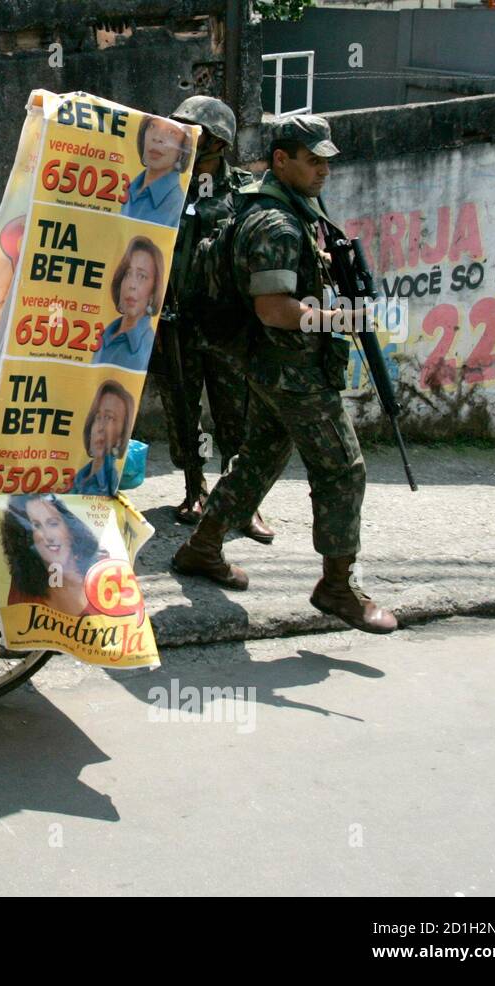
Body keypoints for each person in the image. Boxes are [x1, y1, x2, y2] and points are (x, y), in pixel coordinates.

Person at [171, 116, 398, 634]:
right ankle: (336, 587)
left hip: (273, 364)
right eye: (312, 160)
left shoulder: (290, 206)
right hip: (291, 368)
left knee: (260, 458)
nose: (323, 171)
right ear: (281, 159)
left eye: (326, 162)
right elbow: (273, 308)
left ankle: (202, 548)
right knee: (342, 468)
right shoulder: (276, 223)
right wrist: (339, 318)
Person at [151, 94, 274, 542]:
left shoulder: (244, 191)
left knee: (235, 417)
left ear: (217, 143)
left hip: (226, 327)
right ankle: (193, 489)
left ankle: (242, 500)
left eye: (193, 132)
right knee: (181, 412)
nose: (180, 138)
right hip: (174, 323)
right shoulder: (159, 187)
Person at [0, 495, 101, 615]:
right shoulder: (24, 591)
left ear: (70, 529)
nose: (48, 536)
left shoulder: (104, 571)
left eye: (53, 523)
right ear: (24, 539)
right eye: (36, 526)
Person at [92, 236, 163, 371]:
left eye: (142, 276)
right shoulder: (106, 332)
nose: (132, 285)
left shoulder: (147, 348)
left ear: (153, 291)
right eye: (128, 274)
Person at [120, 114, 192, 228]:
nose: (157, 138)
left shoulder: (177, 205)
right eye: (152, 126)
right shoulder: (131, 187)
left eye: (171, 132)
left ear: (182, 150)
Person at [70, 381, 135, 495]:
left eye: (109, 418)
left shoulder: (105, 486)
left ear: (122, 435)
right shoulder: (80, 476)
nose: (100, 428)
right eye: (98, 417)